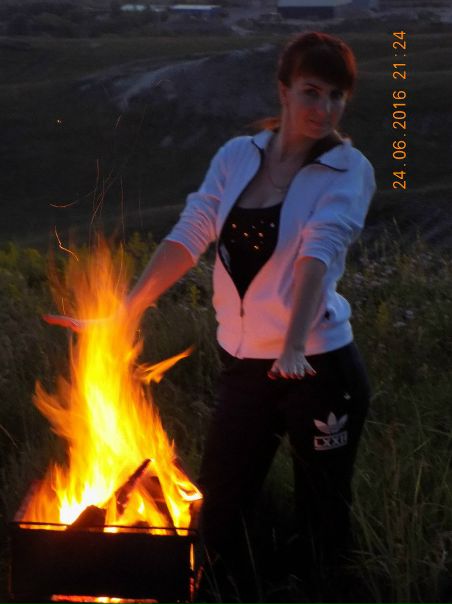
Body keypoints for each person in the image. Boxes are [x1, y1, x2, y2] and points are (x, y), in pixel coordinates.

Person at [46, 31, 376, 603]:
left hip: (319, 369)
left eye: (336, 96)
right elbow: (190, 233)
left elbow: (318, 254)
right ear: (284, 90)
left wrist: (294, 344)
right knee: (221, 512)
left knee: (322, 517)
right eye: (311, 91)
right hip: (245, 368)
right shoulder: (237, 155)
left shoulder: (348, 169)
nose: (323, 108)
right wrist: (126, 311)